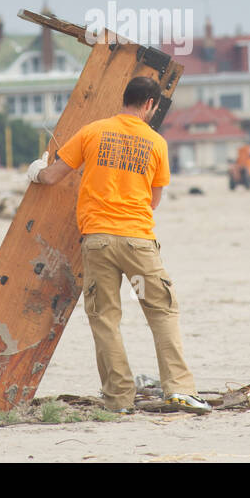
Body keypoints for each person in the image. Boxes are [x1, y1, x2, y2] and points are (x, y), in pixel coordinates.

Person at [27, 76, 210, 415]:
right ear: (150, 105)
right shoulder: (156, 143)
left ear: (125, 99)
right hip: (137, 241)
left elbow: (51, 177)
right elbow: (153, 201)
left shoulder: (92, 131)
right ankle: (180, 390)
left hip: (97, 241)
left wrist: (35, 172)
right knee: (162, 312)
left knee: (105, 319)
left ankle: (118, 400)